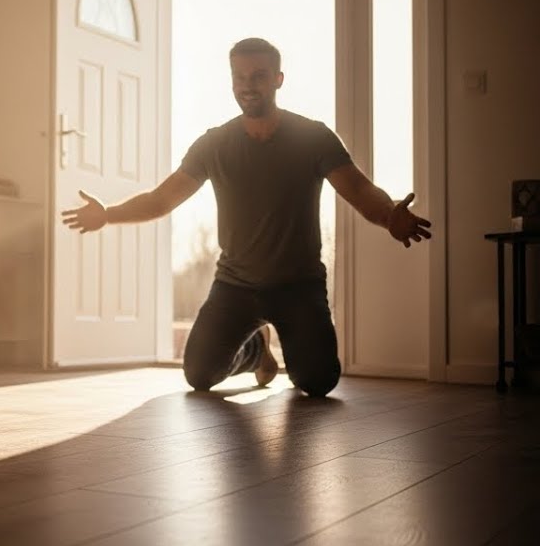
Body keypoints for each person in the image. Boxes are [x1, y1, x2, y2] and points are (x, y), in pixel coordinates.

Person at [61, 38, 431, 397]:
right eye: (240, 77)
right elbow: (161, 200)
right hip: (235, 287)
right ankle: (256, 349)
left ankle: (283, 343)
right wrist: (108, 214)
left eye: (258, 76)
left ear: (277, 80)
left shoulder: (312, 137)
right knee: (199, 375)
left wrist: (388, 216)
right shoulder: (214, 143)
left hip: (299, 286)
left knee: (318, 383)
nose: (248, 86)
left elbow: (359, 190)